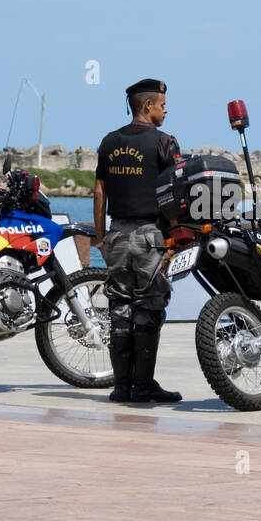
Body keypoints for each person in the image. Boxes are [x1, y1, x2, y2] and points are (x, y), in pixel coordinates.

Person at [93, 79, 183, 403]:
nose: (165, 109)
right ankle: (143, 385)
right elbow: (175, 191)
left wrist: (102, 238)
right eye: (162, 104)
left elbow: (100, 190)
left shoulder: (109, 142)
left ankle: (121, 387)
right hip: (150, 236)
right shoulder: (164, 142)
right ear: (147, 106)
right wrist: (175, 236)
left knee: (120, 308)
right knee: (149, 308)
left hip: (117, 234)